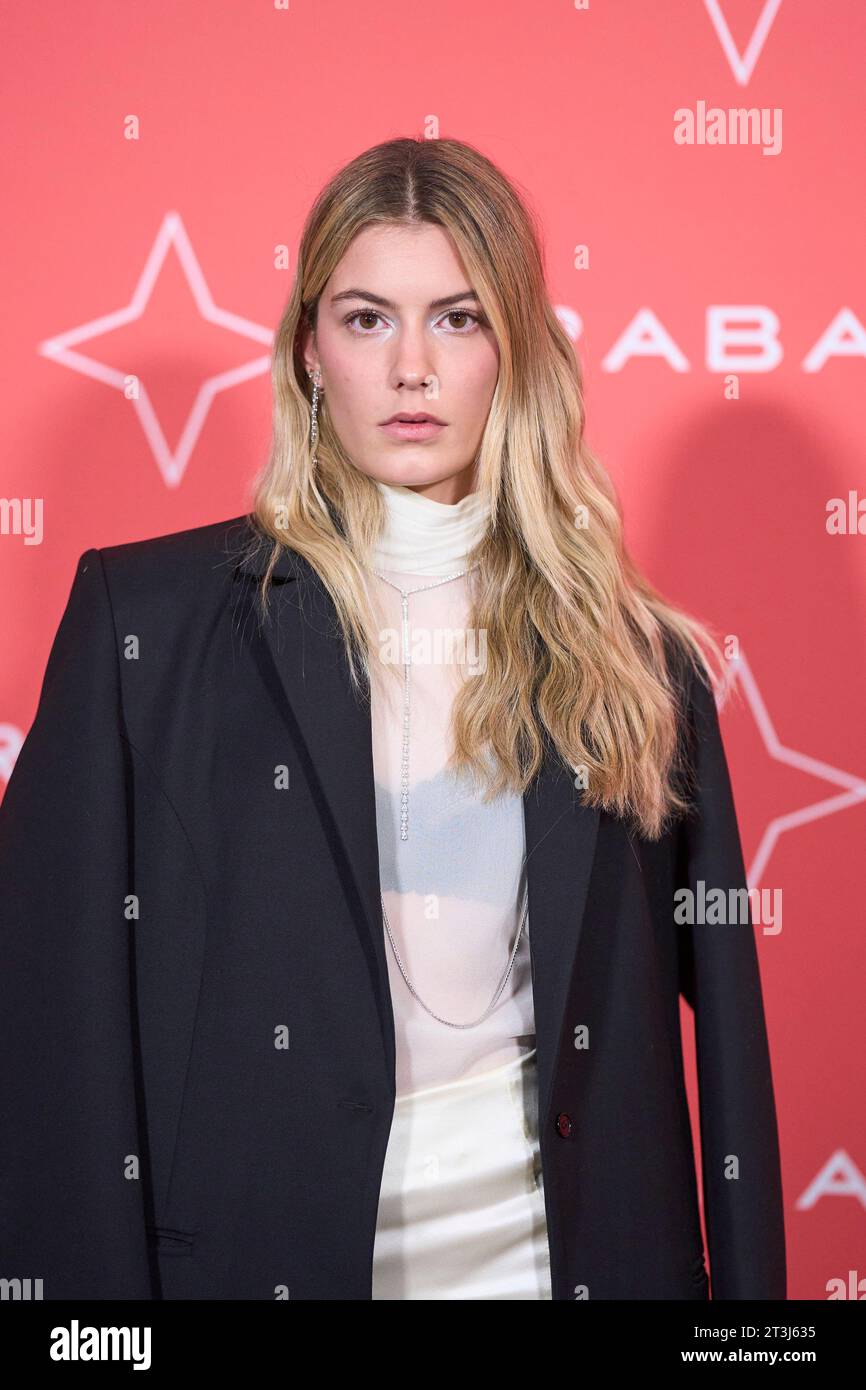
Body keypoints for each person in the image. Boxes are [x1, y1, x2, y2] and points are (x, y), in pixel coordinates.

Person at [0, 136, 785, 1300]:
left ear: (515, 351)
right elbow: (45, 1018)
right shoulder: (147, 623)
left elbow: (723, 1048)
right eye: (368, 319)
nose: (411, 367)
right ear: (309, 350)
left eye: (457, 319)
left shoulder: (639, 658)